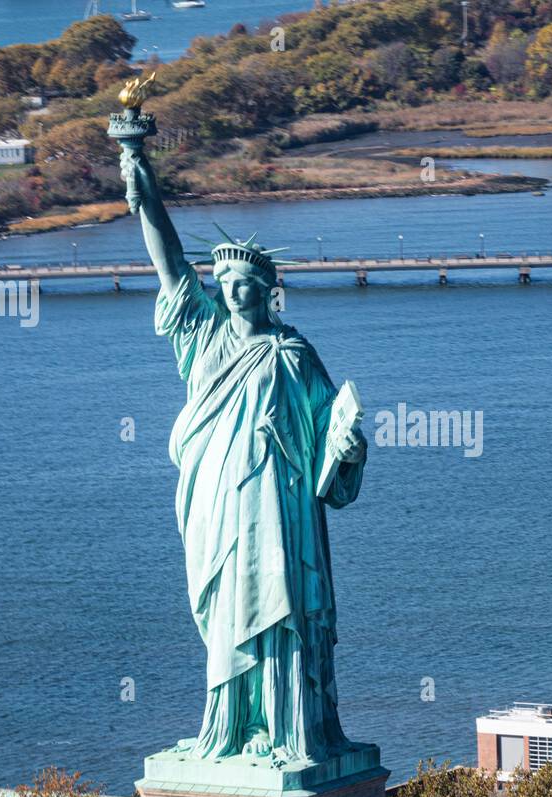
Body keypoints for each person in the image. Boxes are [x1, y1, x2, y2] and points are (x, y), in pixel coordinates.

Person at [120, 147, 368, 765]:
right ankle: (229, 729)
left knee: (279, 604)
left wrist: (349, 448)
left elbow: (328, 441)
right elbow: (170, 263)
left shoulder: (294, 354)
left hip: (278, 509)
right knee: (228, 607)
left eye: (244, 287)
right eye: (225, 285)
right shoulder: (204, 334)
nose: (232, 295)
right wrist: (142, 176)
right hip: (217, 501)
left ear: (267, 291)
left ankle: (288, 731)